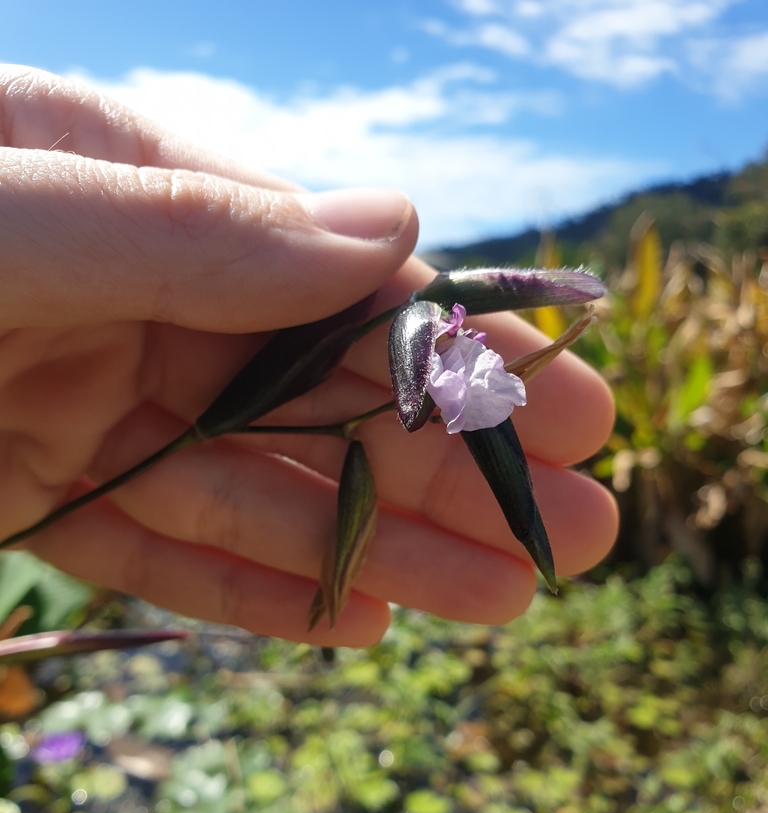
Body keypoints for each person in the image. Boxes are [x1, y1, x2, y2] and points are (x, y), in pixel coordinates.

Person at [0, 64, 618, 646]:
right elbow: (413, 381)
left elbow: (417, 382)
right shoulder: (408, 322)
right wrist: (416, 391)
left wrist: (417, 391)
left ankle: (521, 536)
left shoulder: (410, 330)